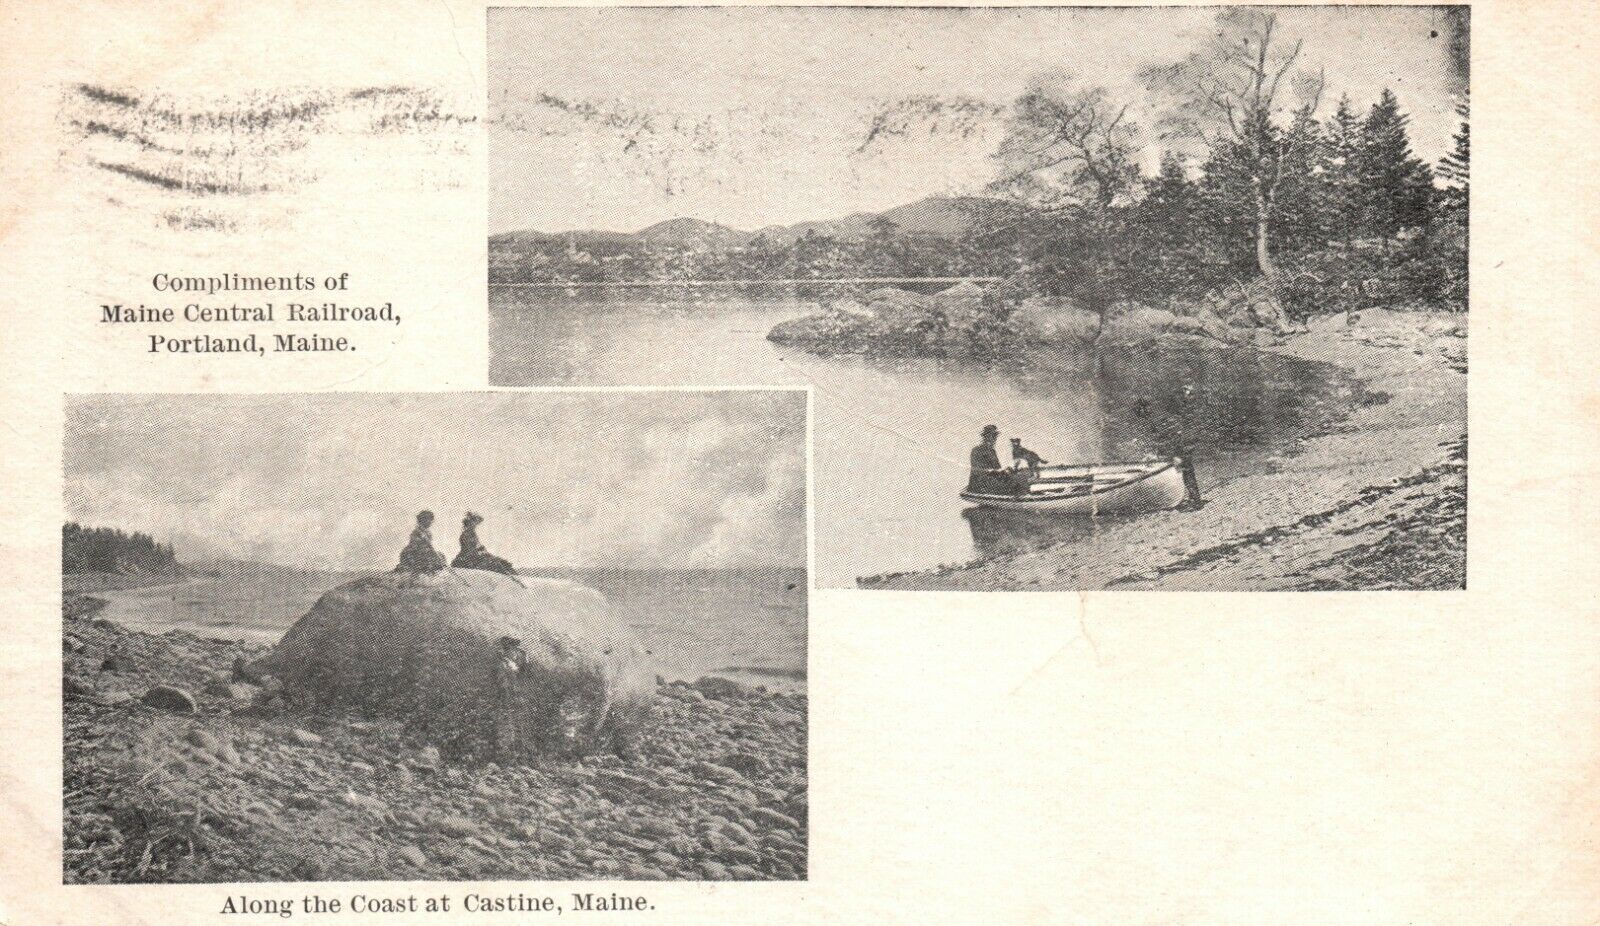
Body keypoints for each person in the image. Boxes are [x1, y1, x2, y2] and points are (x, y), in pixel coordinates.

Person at [452, 512, 517, 576]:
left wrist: (482, 550)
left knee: (499, 561)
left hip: (475, 555)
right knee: (494, 562)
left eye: (476, 523)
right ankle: (507, 574)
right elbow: (469, 548)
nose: (475, 525)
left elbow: (478, 546)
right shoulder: (465, 534)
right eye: (474, 522)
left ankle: (509, 574)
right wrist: (481, 552)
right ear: (469, 523)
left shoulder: (473, 534)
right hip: (467, 557)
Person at [967, 425, 1024, 495]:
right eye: (992, 436)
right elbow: (977, 470)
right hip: (979, 484)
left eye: (995, 436)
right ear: (985, 437)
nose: (994, 439)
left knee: (1020, 477)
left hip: (990, 480)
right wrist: (994, 472)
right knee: (1015, 486)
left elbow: (997, 468)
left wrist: (1009, 470)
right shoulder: (976, 450)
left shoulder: (992, 451)